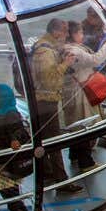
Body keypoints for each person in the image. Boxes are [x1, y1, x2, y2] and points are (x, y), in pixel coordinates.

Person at [58, 19, 106, 177]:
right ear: (74, 34)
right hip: (80, 93)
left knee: (75, 124)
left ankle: (75, 155)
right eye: (81, 32)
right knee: (83, 124)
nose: (83, 35)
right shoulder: (74, 52)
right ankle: (86, 162)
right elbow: (95, 60)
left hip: (72, 91)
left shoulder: (65, 49)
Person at [30, 19, 71, 184]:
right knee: (54, 139)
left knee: (43, 138)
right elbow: (50, 81)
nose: (66, 35)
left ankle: (46, 171)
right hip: (46, 101)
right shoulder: (45, 52)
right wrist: (65, 64)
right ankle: (61, 180)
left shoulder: (44, 46)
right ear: (56, 32)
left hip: (39, 100)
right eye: (64, 31)